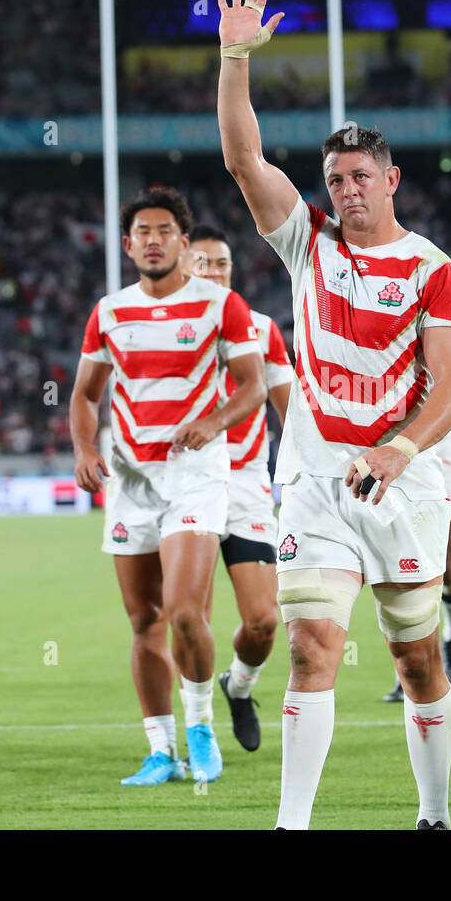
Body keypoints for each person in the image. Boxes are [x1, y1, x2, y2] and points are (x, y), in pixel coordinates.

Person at [218, 0, 451, 830]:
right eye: (335, 175)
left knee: (417, 661)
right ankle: (293, 825)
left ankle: (434, 814)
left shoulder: (432, 268)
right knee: (312, 645)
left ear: (392, 179)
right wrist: (234, 57)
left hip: (404, 486)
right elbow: (244, 159)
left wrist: (400, 448)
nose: (346, 188)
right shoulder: (306, 241)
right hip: (321, 485)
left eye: (361, 175)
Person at [70, 188, 266, 785]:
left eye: (165, 230)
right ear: (128, 245)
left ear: (184, 240)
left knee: (184, 612)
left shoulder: (219, 305)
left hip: (195, 478)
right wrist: (83, 447)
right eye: (142, 232)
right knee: (143, 622)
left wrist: (212, 422)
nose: (153, 240)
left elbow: (252, 386)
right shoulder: (109, 312)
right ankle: (161, 750)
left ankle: (202, 726)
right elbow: (84, 394)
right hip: (130, 481)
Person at [187, 223, 292, 751]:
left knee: (264, 620)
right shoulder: (166, 327)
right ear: (185, 267)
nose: (213, 272)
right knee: (193, 618)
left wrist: (306, 475)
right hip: (187, 486)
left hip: (247, 484)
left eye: (222, 264)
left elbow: (288, 409)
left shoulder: (261, 328)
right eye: (202, 264)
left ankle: (239, 686)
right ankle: (198, 726)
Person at [384, 345, 451, 702]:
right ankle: (413, 667)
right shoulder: (384, 321)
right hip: (392, 454)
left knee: (445, 566)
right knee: (399, 569)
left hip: (442, 458)